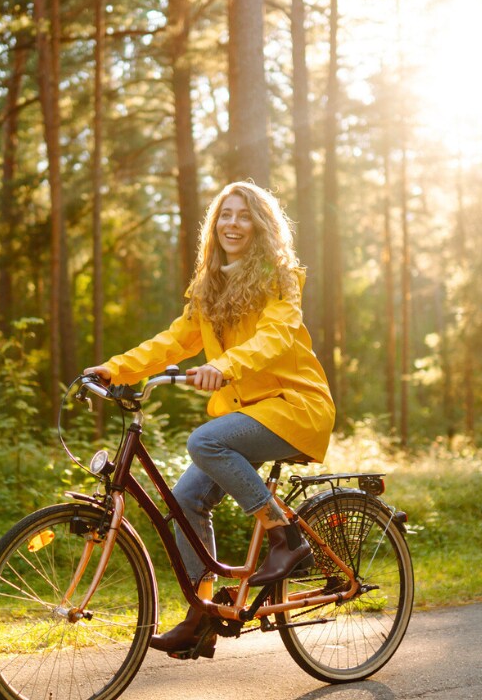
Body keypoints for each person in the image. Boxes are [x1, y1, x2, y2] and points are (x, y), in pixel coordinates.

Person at [83, 181, 336, 657]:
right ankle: (202, 615)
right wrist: (114, 368)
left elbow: (275, 338)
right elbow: (175, 341)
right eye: (225, 215)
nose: (233, 224)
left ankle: (285, 537)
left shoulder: (279, 279)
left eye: (244, 216)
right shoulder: (212, 286)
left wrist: (224, 366)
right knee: (185, 500)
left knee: (205, 441)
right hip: (249, 413)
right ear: (214, 225)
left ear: (261, 226)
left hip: (295, 406)